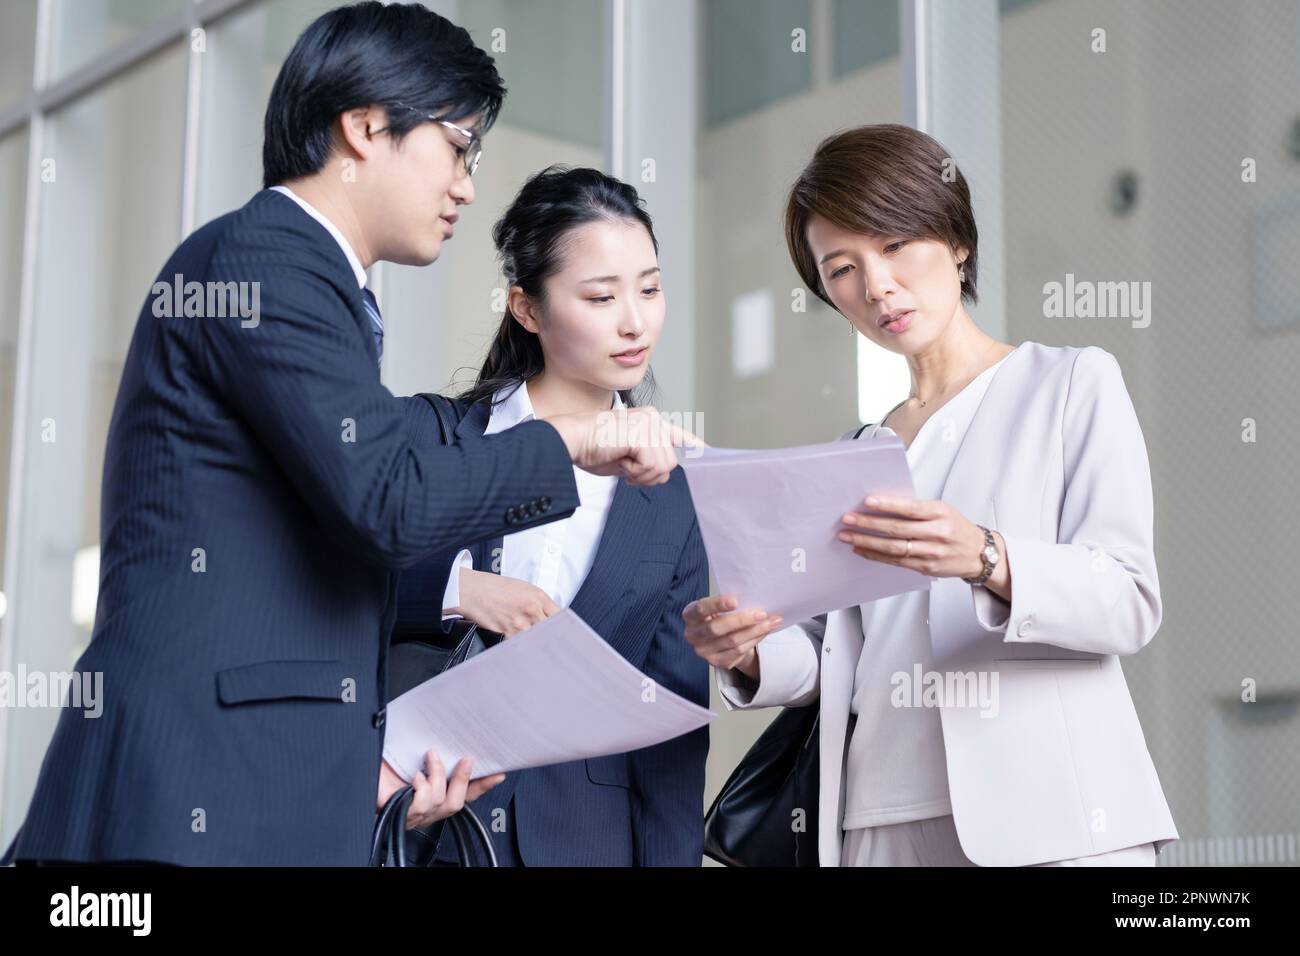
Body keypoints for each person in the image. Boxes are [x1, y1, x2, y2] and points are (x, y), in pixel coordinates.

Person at [3, 2, 686, 868]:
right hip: (194, 789)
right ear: (365, 129)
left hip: (263, 787)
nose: (466, 185)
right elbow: (387, 501)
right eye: (457, 147)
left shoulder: (310, 283)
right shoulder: (265, 264)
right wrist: (572, 442)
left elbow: (306, 548)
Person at [685, 124, 1178, 867]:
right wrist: (750, 651)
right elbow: (832, 654)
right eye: (842, 268)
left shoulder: (1070, 384)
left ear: (955, 240)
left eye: (892, 244)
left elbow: (1129, 599)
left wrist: (987, 557)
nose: (875, 286)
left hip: (1051, 817)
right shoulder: (857, 452)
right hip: (875, 819)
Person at [396, 167, 709, 866]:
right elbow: (333, 585)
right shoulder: (438, 440)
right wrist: (459, 590)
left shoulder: (674, 492)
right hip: (427, 831)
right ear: (527, 309)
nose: (635, 321)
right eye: (601, 296)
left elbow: (668, 738)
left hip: (589, 845)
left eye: (650, 289)